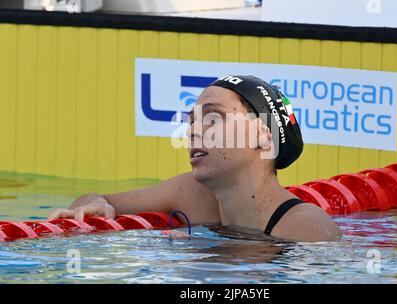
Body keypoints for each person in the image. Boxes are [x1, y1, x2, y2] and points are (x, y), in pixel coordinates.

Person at [48, 75, 342, 242]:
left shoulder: (306, 229)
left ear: (262, 135)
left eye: (213, 119)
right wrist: (96, 205)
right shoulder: (191, 194)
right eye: (192, 121)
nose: (193, 131)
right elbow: (90, 200)